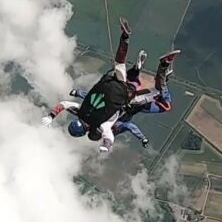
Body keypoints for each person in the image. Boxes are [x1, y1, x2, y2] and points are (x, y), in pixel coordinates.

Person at [42, 20, 179, 151]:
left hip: (126, 96)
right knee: (120, 62)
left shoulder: (102, 125)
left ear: (87, 131)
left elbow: (110, 136)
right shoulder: (80, 110)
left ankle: (164, 64)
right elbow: (64, 104)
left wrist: (106, 146)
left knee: (158, 92)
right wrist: (51, 116)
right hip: (108, 81)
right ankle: (125, 37)